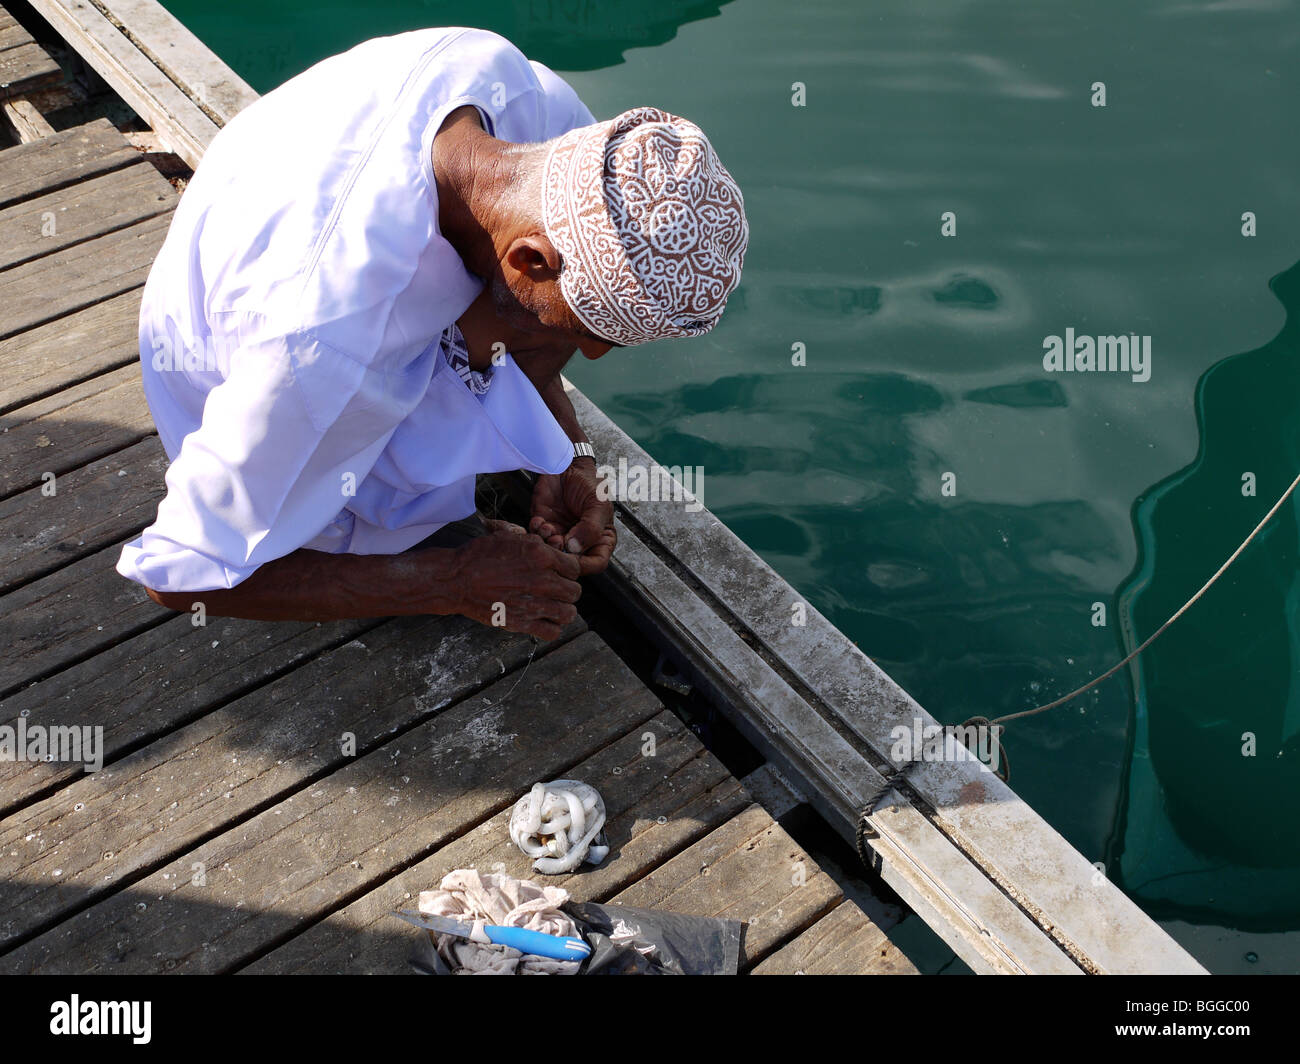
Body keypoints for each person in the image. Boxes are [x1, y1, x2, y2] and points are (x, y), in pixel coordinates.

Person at [116, 27, 748, 641]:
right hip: (223, 361)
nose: (594, 352)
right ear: (529, 260)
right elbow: (180, 577)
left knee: (531, 322)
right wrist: (451, 580)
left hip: (273, 261)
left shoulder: (533, 109)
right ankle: (377, 511)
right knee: (383, 477)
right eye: (595, 329)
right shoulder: (317, 344)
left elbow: (540, 319)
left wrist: (568, 451)